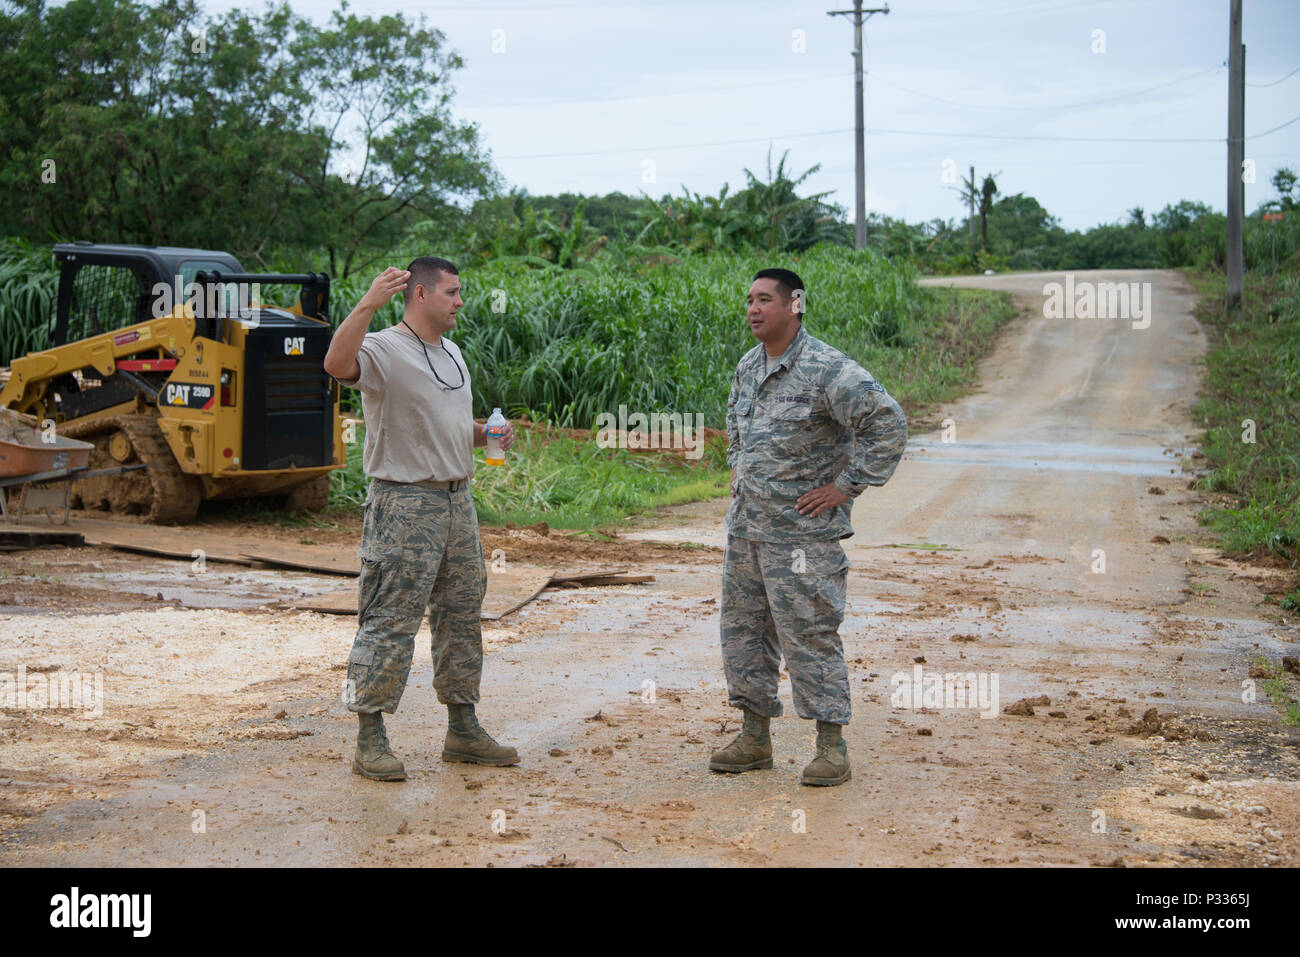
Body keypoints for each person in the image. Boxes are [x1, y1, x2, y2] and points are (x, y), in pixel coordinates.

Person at [323, 257, 518, 782]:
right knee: (390, 617)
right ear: (422, 295)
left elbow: (447, 423)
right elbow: (336, 364)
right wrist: (369, 302)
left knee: (461, 613)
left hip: (457, 502)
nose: (460, 301)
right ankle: (369, 737)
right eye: (452, 292)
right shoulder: (385, 348)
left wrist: (487, 433)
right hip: (404, 504)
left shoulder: (452, 352)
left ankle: (463, 728)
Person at [712, 268, 907, 786]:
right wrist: (738, 463)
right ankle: (754, 738)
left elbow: (887, 422)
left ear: (794, 305)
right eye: (749, 300)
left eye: (764, 300)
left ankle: (831, 747)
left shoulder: (828, 369)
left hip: (803, 537)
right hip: (747, 530)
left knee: (811, 635)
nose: (753, 310)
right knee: (743, 634)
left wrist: (846, 486)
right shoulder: (749, 365)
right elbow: (734, 419)